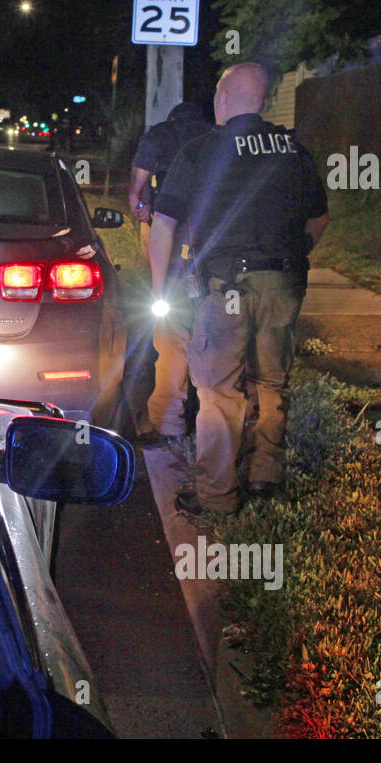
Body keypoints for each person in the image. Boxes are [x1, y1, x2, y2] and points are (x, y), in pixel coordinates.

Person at [149, 63, 330, 515]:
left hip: (225, 288)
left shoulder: (200, 149)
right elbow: (319, 218)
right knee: (272, 380)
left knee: (218, 391)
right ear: (264, 102)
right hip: (283, 282)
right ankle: (266, 473)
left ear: (224, 98)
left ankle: (216, 495)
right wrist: (291, 255)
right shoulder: (292, 149)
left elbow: (163, 224)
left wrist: (160, 292)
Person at [124, 101, 212, 444]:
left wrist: (138, 201)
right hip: (212, 236)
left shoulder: (159, 135)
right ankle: (208, 413)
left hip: (168, 226)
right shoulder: (215, 137)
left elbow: (138, 183)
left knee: (169, 322)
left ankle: (168, 418)